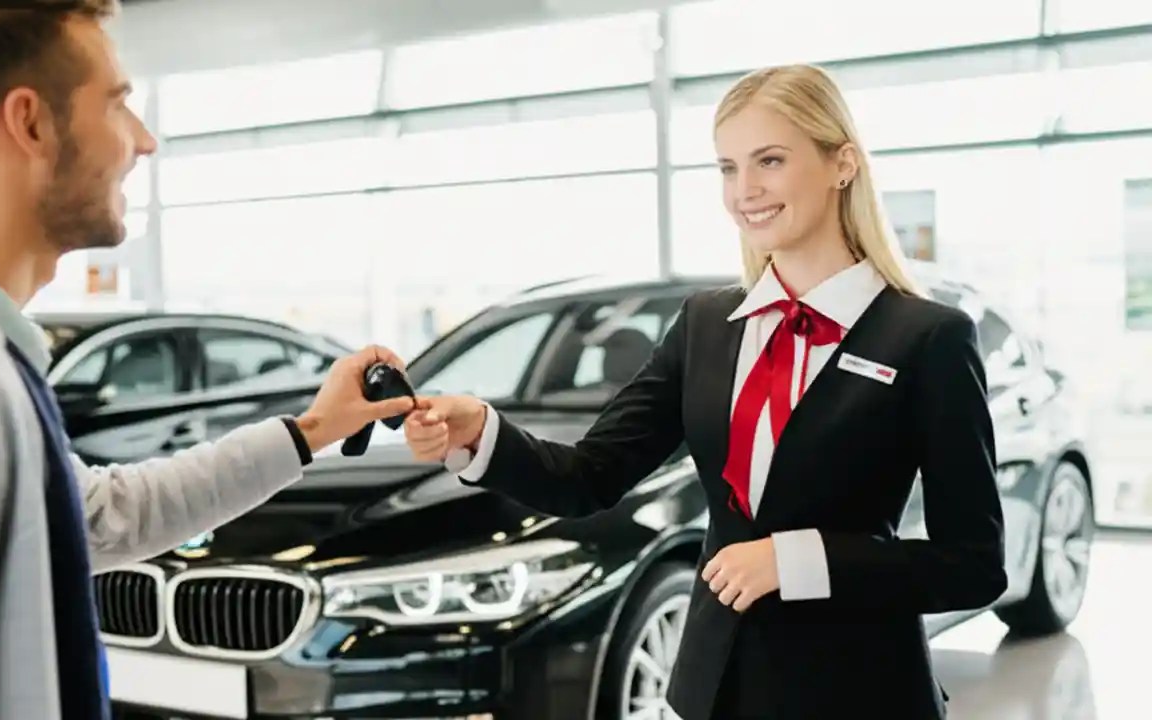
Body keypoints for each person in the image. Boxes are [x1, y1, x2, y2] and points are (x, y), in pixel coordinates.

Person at [404, 64, 1007, 720]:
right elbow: (588, 477)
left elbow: (971, 564)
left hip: (859, 691)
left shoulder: (928, 337)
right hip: (714, 689)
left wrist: (796, 560)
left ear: (843, 164)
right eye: (727, 167)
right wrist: (481, 433)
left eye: (769, 161)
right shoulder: (706, 327)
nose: (744, 191)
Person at [0, 2, 415, 719]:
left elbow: (101, 516)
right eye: (118, 102)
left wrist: (313, 428)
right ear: (30, 123)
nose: (145, 141)